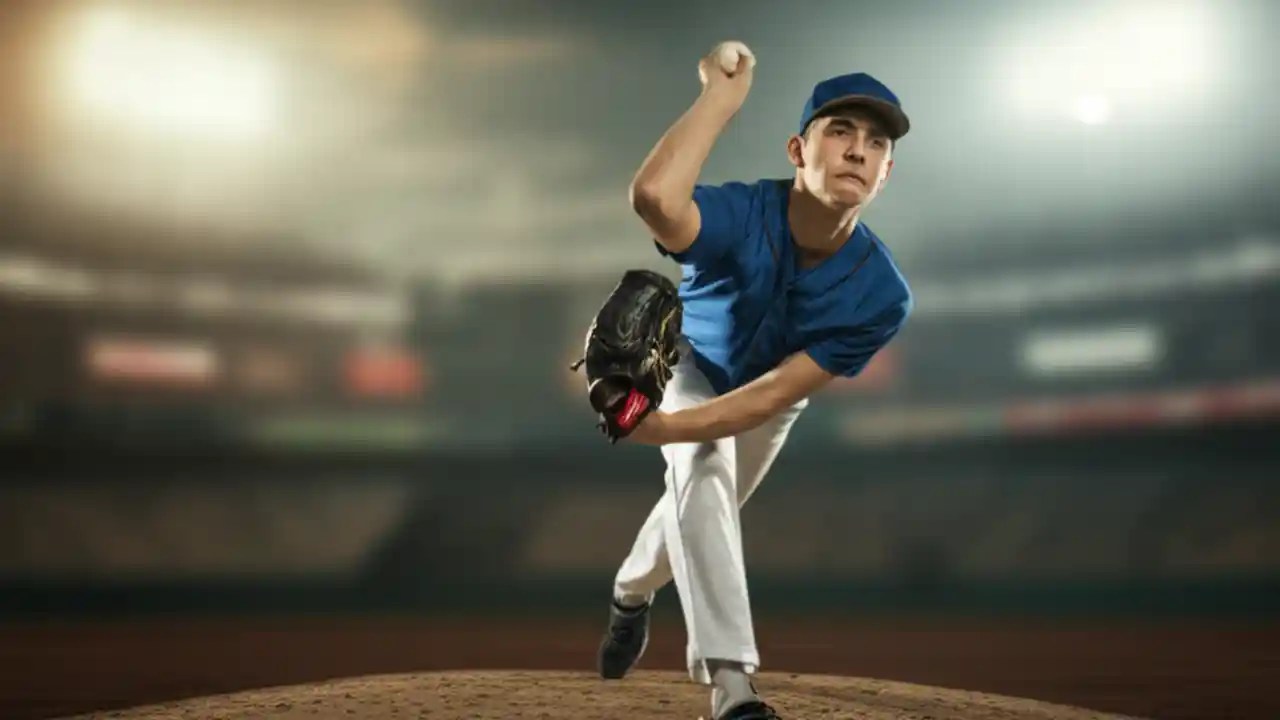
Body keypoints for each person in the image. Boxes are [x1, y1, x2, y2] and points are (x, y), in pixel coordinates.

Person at [594, 41, 915, 720]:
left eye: (876, 143)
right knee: (703, 468)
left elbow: (772, 396)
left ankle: (629, 592)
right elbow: (655, 197)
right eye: (841, 131)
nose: (859, 151)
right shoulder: (743, 214)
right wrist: (718, 98)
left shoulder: (883, 295)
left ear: (887, 173)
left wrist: (662, 429)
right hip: (689, 364)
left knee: (693, 503)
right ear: (798, 150)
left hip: (769, 401)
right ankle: (732, 687)